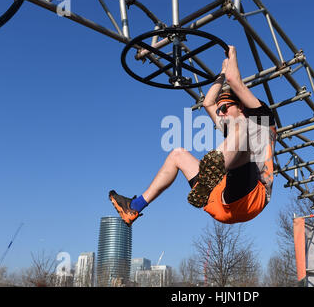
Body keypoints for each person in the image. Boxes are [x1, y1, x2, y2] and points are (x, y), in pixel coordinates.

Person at [108, 45, 276, 226]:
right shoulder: (231, 127)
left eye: (225, 108)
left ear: (241, 106)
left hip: (252, 197)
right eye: (220, 111)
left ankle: (213, 170)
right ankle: (134, 207)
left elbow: (234, 80)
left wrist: (232, 55)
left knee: (241, 127)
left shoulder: (262, 119)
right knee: (177, 155)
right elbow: (208, 103)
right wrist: (221, 73)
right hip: (222, 203)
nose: (221, 114)